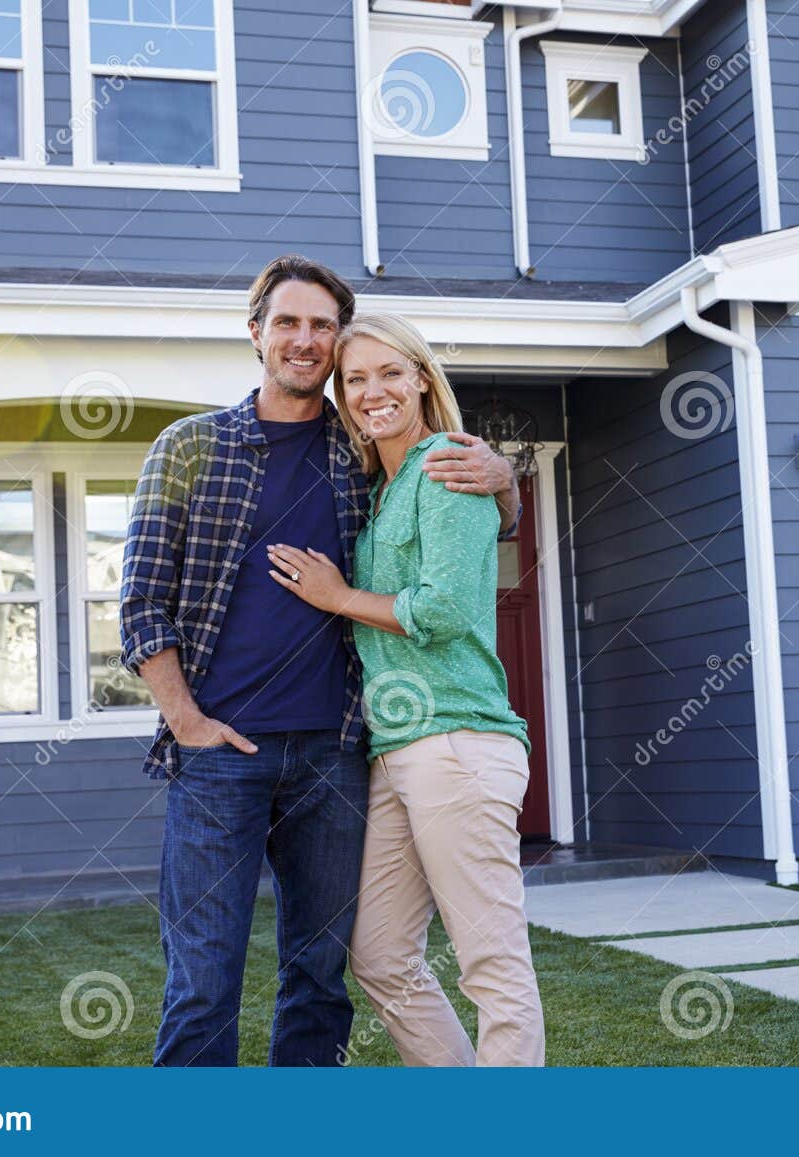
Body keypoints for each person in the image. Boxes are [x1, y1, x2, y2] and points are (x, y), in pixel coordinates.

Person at [119, 257, 518, 1066]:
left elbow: (456, 524)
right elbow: (139, 602)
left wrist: (505, 481)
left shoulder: (365, 445)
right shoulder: (189, 447)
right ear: (256, 331)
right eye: (289, 322)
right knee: (203, 979)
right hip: (219, 753)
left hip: (336, 754)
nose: (306, 340)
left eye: (322, 326)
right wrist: (186, 721)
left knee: (320, 975)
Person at [266, 313, 545, 1067]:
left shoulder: (445, 467)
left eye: (390, 372)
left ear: (423, 376)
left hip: (456, 739)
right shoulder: (384, 486)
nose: (372, 391)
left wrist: (336, 595)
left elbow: (446, 610)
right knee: (381, 954)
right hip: (395, 751)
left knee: (490, 962)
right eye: (354, 379)